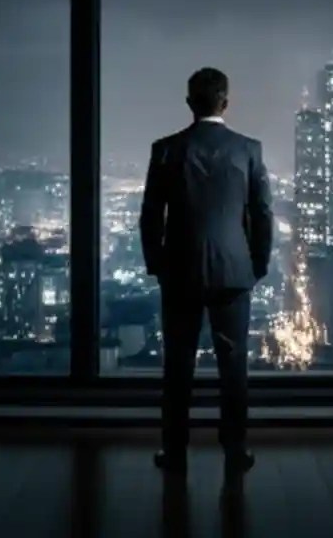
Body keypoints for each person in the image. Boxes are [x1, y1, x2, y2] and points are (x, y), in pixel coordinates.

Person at [139, 67, 274, 474]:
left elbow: (150, 216)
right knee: (234, 367)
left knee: (177, 365)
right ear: (225, 102)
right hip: (234, 272)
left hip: (179, 271)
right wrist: (258, 265)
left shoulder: (166, 149)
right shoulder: (249, 150)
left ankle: (174, 450)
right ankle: (235, 450)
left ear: (189, 102)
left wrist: (156, 265)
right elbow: (263, 214)